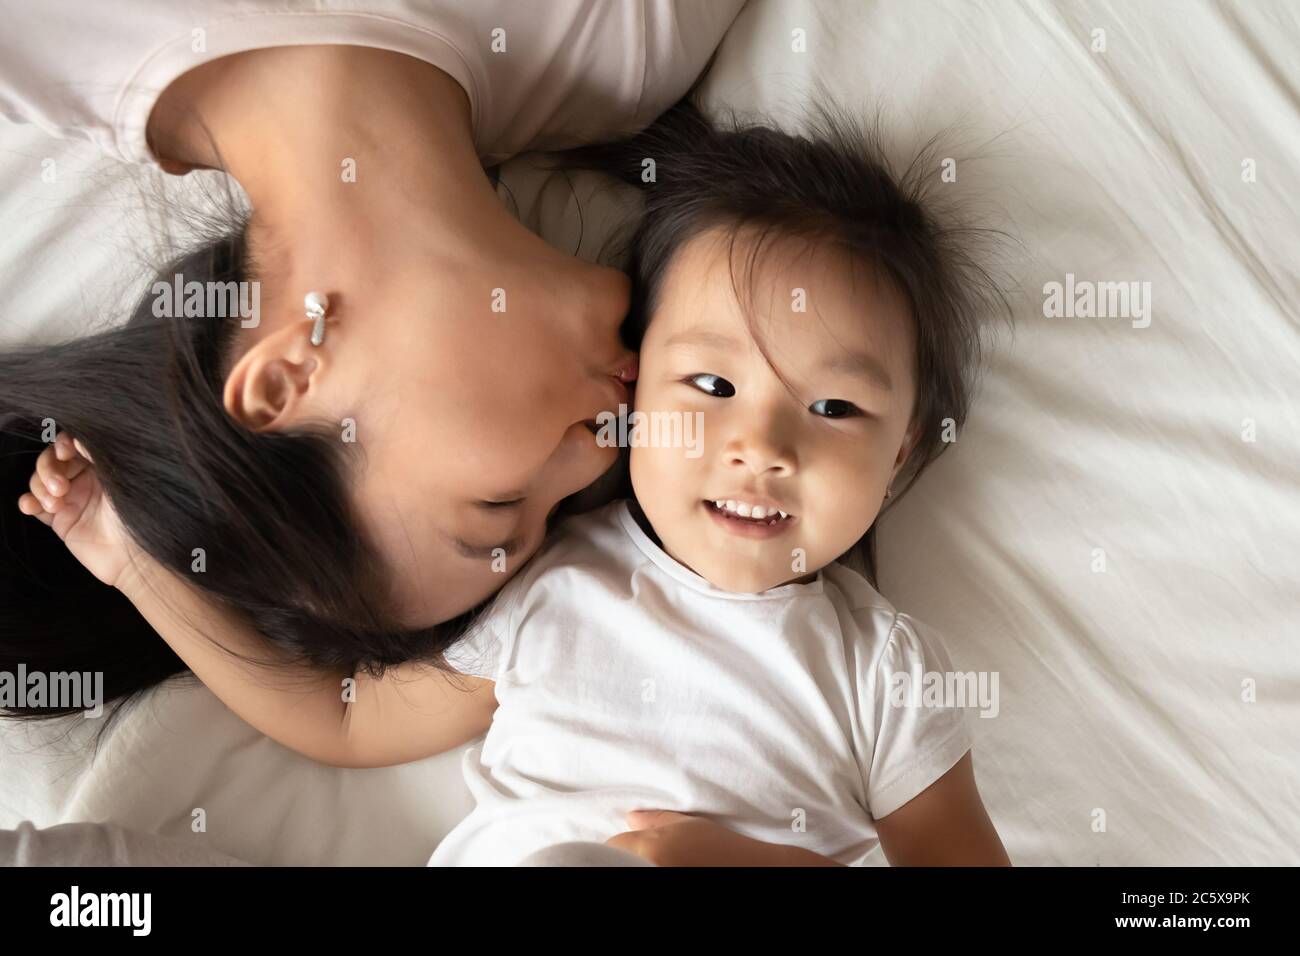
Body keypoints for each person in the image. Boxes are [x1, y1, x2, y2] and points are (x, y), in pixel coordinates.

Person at [17, 102, 1012, 866]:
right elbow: (347, 717)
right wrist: (132, 564)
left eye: (835, 409)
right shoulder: (554, 586)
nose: (759, 444)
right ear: (633, 383)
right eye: (710, 385)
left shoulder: (882, 673)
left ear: (905, 454)